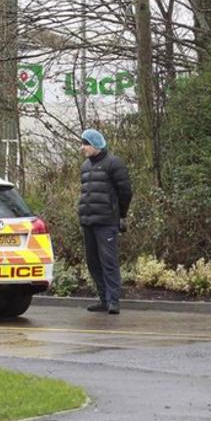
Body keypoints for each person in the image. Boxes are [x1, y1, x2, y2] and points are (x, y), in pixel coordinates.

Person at [78, 128, 132, 315]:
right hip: (88, 221)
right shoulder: (85, 166)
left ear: (95, 145)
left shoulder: (114, 163)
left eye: (85, 144)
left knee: (109, 262)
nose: (82, 147)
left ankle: (113, 301)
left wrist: (121, 216)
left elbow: (125, 192)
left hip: (107, 222)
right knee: (93, 263)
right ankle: (103, 299)